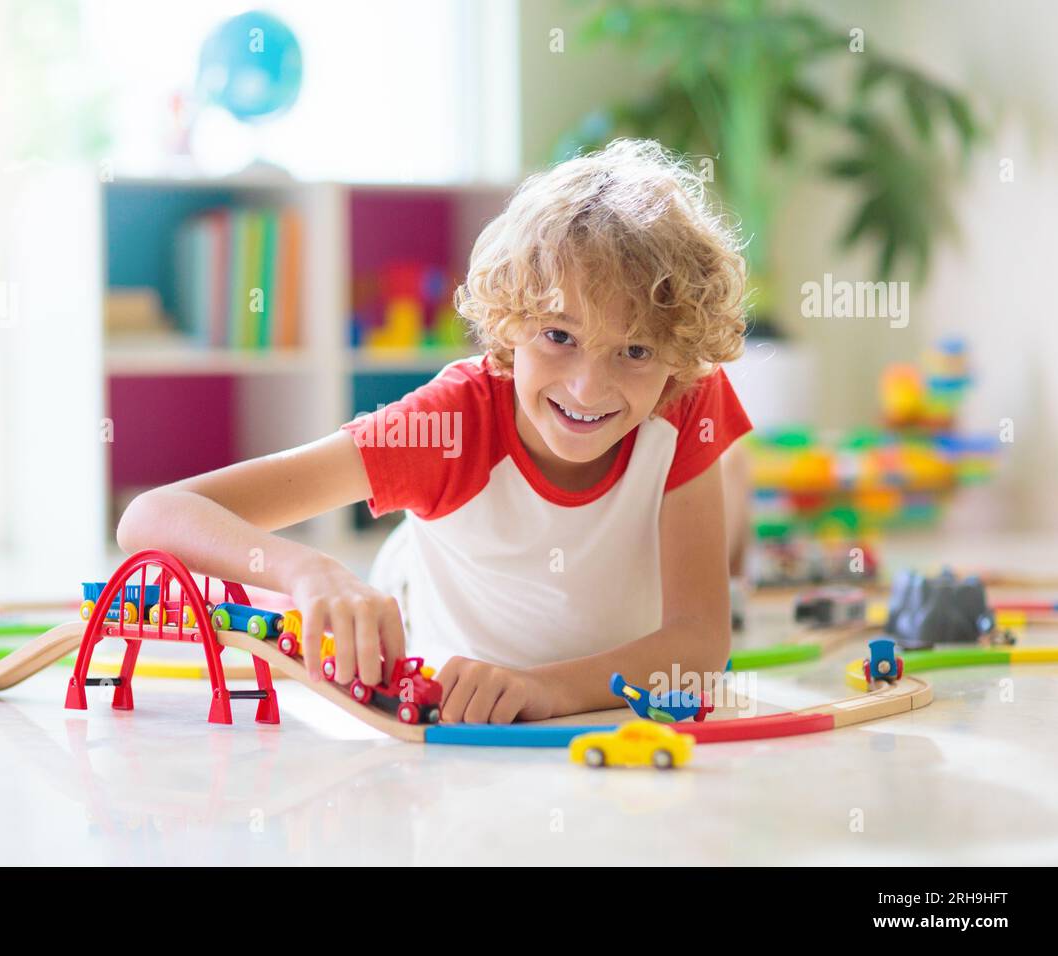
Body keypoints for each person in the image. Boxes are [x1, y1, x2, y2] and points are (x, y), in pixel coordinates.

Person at [117, 139, 752, 723]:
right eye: (559, 336)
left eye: (634, 351)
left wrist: (547, 689)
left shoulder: (686, 396)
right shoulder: (445, 426)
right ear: (509, 328)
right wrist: (311, 572)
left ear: (676, 359)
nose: (588, 388)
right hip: (447, 658)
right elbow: (154, 513)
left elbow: (698, 641)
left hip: (598, 703)